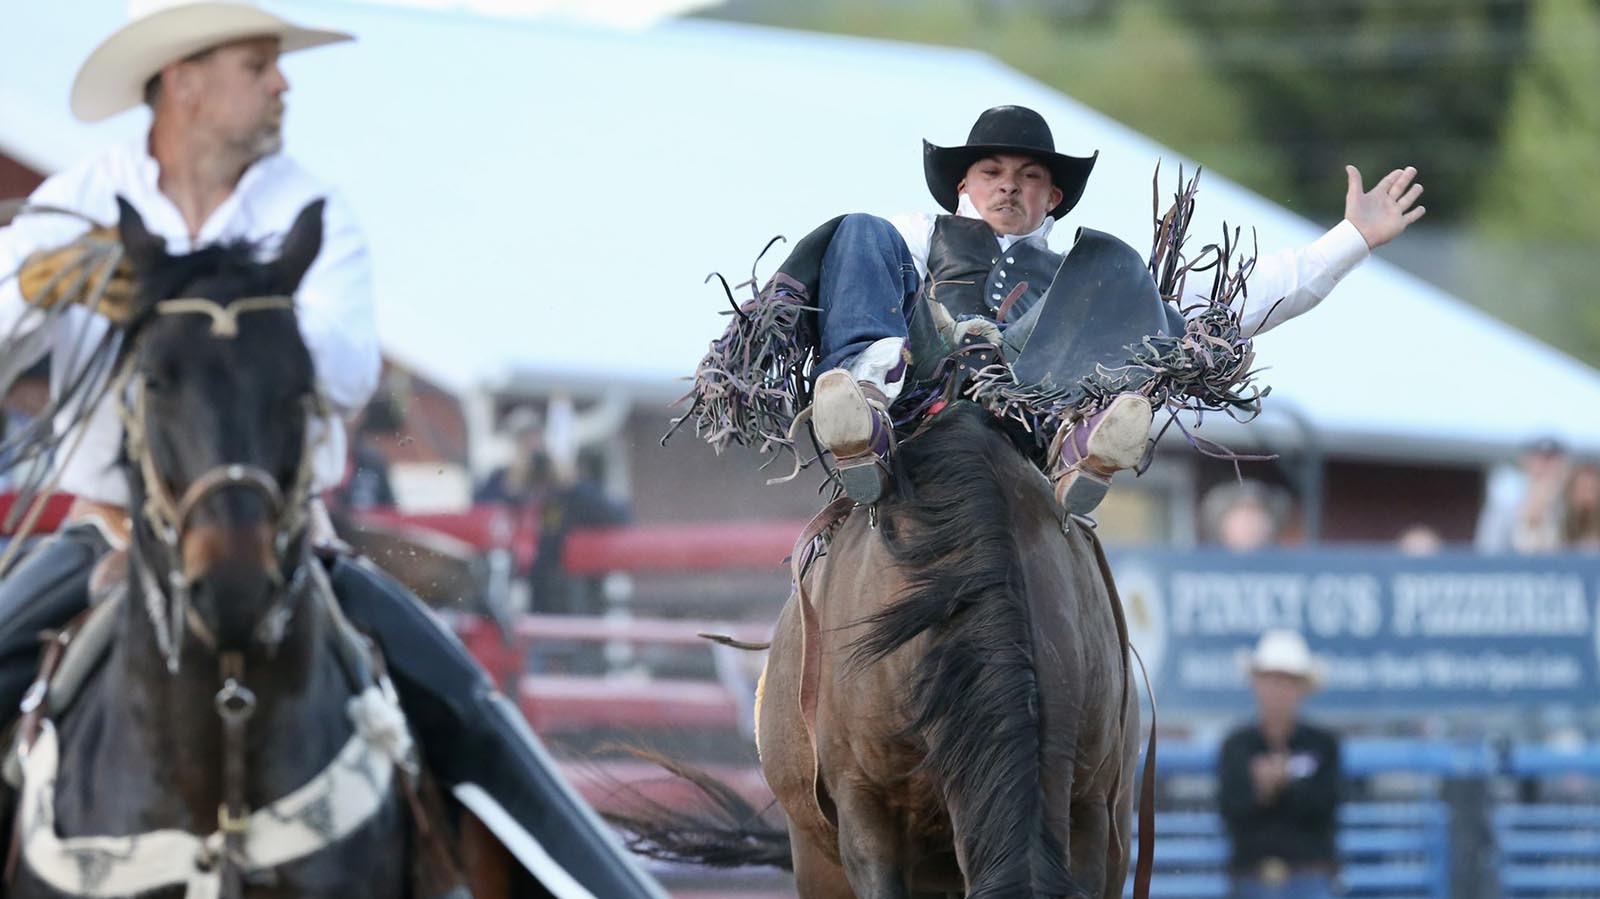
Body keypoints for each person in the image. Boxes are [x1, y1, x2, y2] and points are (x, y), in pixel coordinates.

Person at [0, 4, 663, 896]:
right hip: (107, 537)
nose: (282, 82)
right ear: (184, 79)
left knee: (466, 706)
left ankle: (600, 885)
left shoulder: (313, 209)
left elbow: (345, 369)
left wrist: (189, 293)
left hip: (291, 541)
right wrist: (35, 290)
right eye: (257, 63)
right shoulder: (71, 208)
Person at [804, 104, 1426, 510]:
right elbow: (858, 272)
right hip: (927, 402)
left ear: (1054, 194)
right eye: (990, 171)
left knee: (1119, 273)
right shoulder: (915, 238)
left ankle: (1081, 445)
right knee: (856, 229)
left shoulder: (1086, 279)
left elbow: (1236, 299)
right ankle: (866, 410)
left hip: (1028, 411)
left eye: (1027, 175)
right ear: (964, 185)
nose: (1008, 185)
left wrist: (1352, 240)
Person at [1218, 630, 1342, 899]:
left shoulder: (1323, 744)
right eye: (1271, 680)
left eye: (1286, 681)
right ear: (1257, 684)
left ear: (1302, 688)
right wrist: (1266, 789)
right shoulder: (1236, 745)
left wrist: (1280, 784)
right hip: (1251, 876)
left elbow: (1326, 806)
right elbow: (1231, 809)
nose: (1278, 690)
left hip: (1309, 875)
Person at [1475, 436, 1569, 553]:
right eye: (1539, 458)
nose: (1545, 466)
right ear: (1526, 461)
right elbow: (1487, 547)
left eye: (1551, 459)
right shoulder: (1505, 502)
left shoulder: (1572, 501)